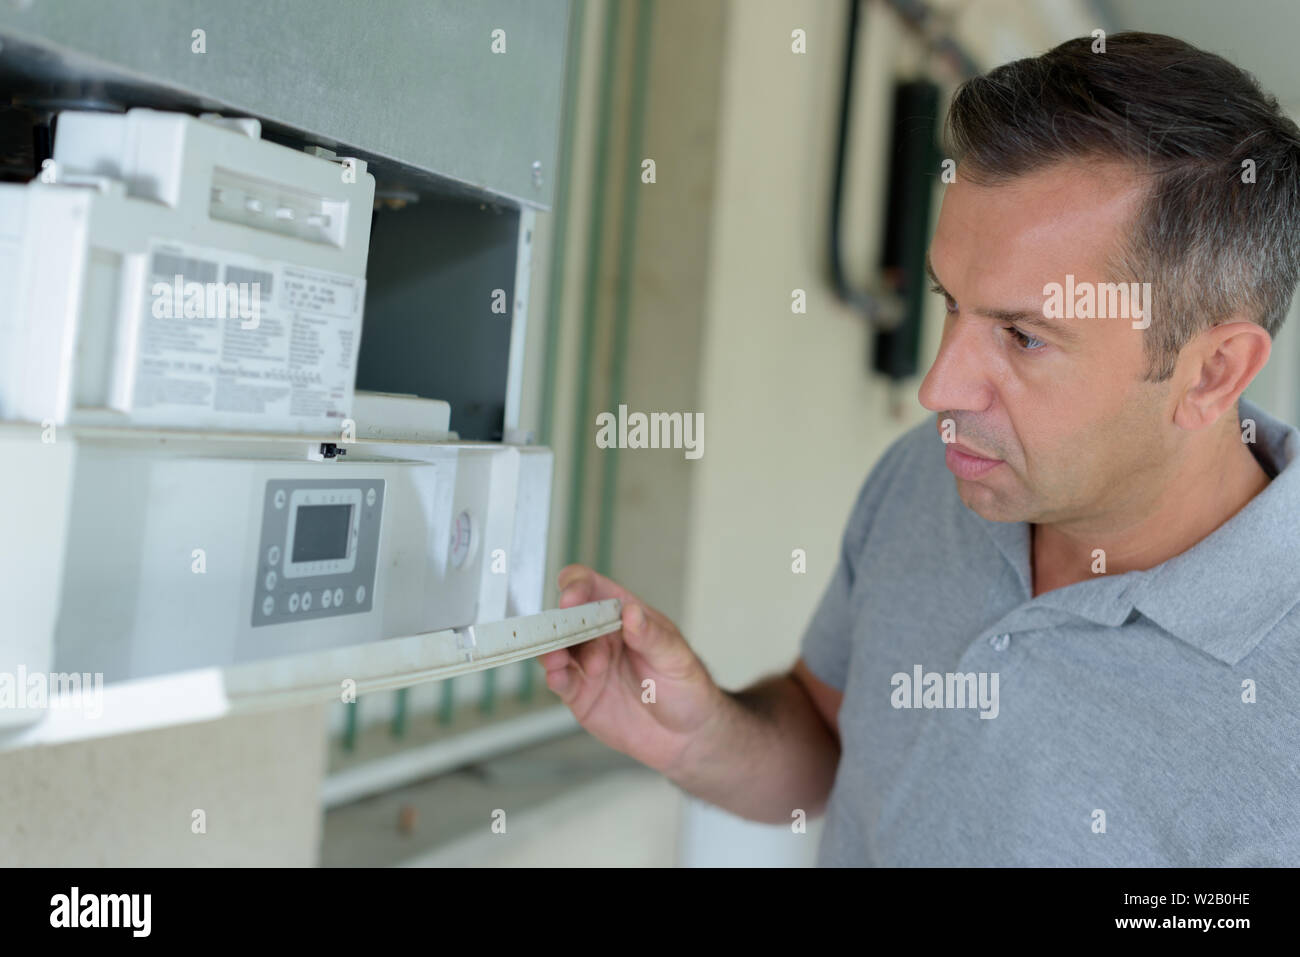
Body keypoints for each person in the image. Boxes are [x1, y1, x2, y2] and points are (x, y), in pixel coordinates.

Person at [539, 32, 1300, 865]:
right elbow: (831, 738)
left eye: (1023, 335)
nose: (938, 388)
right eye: (950, 302)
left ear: (1212, 372)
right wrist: (695, 733)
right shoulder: (930, 475)